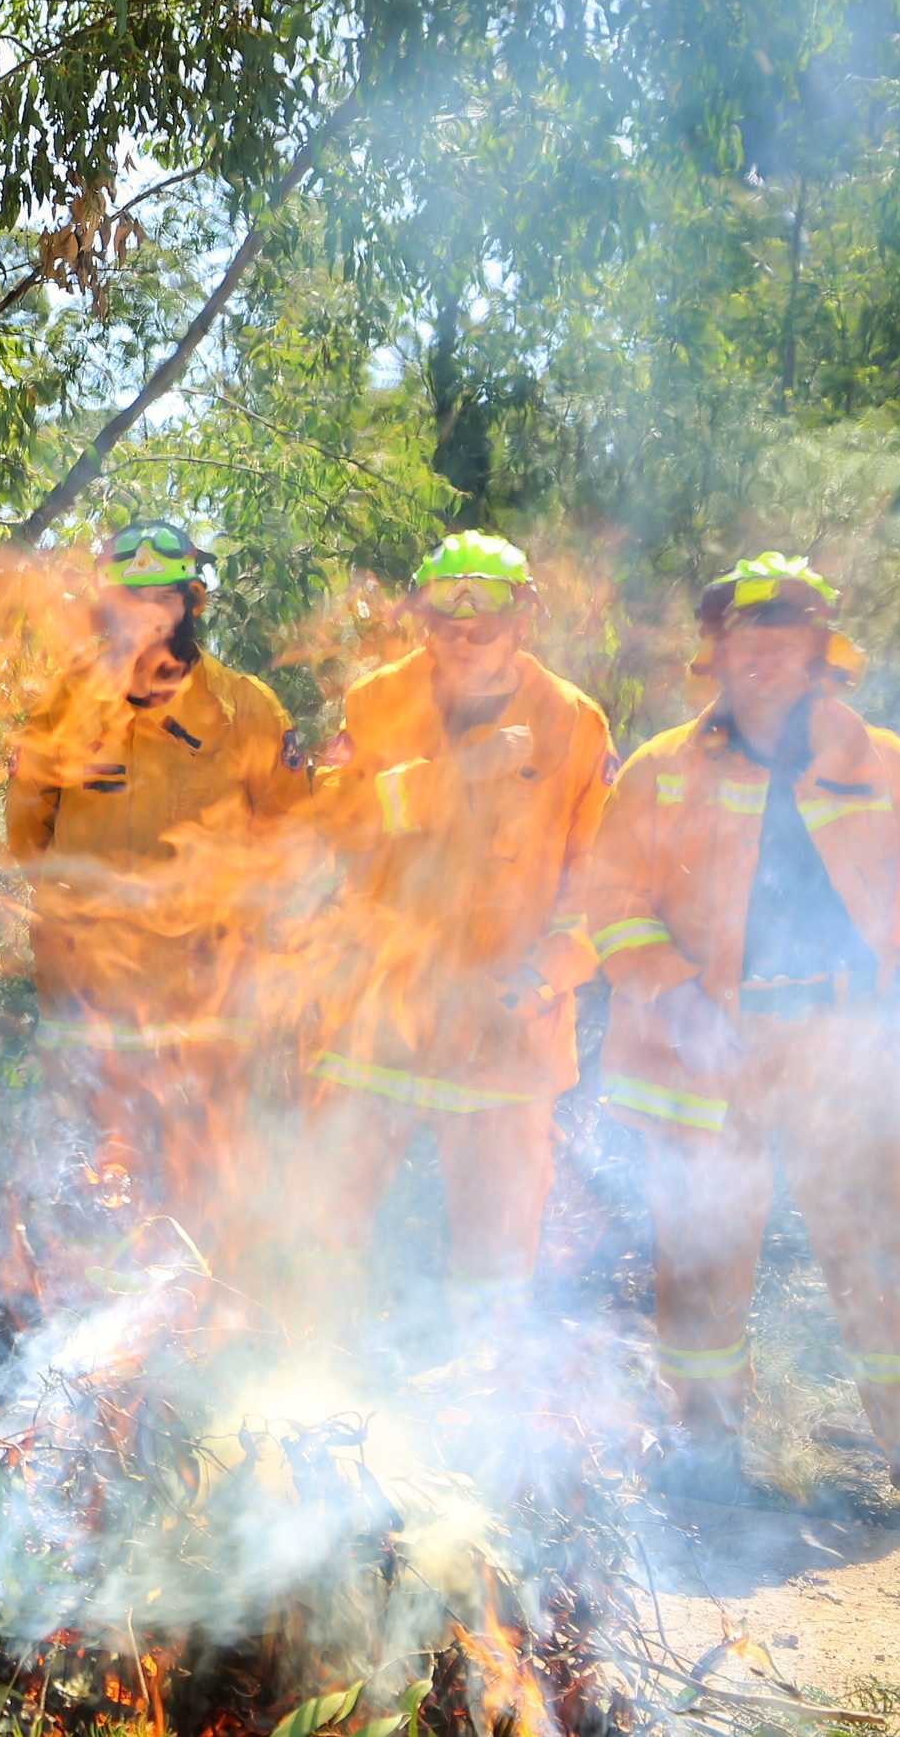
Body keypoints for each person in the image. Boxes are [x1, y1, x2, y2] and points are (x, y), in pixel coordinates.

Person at [536, 553, 900, 1506]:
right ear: (717, 651)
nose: (766, 651)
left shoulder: (886, 766)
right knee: (702, 1257)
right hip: (706, 1051)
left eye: (787, 631)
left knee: (885, 1251)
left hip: (847, 1047)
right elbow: (612, 902)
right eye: (747, 632)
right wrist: (677, 994)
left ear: (823, 650)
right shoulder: (664, 768)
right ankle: (707, 1451)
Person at [304, 533, 612, 1315]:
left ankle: (486, 1395)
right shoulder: (374, 703)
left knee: (499, 1245)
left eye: (485, 621)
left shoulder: (574, 720)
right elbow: (336, 820)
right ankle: (314, 1379)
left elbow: (605, 876)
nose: (464, 638)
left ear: (525, 618)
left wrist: (547, 972)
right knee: (328, 1217)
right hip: (380, 1008)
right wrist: (453, 778)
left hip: (506, 1020)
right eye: (445, 622)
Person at [2, 520, 310, 1249]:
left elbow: (296, 839)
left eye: (161, 602)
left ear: (193, 604)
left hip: (206, 999)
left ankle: (198, 1323)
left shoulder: (250, 713)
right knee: (94, 1166)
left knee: (205, 1168)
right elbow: (27, 837)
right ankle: (85, 1334)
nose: (142, 619)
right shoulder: (65, 708)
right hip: (90, 992)